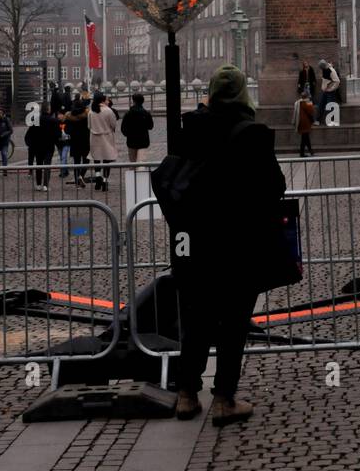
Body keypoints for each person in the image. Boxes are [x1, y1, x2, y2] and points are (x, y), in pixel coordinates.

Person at [169, 64, 286, 425]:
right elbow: (274, 186)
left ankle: (186, 395)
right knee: (234, 322)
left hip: (196, 241)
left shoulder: (192, 128)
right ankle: (224, 399)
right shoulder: (254, 134)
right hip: (238, 243)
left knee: (197, 318)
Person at [88, 93, 118, 190]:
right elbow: (113, 124)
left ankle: (97, 178)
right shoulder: (108, 111)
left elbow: (89, 126)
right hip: (106, 136)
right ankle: (105, 181)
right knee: (106, 159)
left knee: (96, 159)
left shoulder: (91, 111)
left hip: (94, 137)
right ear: (102, 100)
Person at [32, 101, 59, 190]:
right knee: (47, 165)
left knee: (39, 165)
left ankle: (38, 184)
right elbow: (57, 134)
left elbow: (32, 133)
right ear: (48, 109)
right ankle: (45, 185)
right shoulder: (53, 120)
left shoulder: (36, 120)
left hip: (38, 146)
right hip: (49, 146)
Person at [65, 95, 91, 186]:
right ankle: (81, 175)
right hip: (85, 140)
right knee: (86, 160)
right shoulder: (87, 116)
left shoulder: (69, 117)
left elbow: (66, 130)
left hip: (75, 141)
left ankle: (77, 180)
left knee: (76, 161)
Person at [121, 92, 154, 163]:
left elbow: (123, 128)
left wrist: (128, 134)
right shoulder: (146, 113)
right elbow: (150, 126)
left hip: (131, 141)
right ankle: (140, 174)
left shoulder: (128, 114)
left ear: (133, 101)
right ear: (143, 101)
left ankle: (132, 174)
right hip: (143, 141)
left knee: (132, 163)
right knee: (141, 162)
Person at [293, 86, 316, 156]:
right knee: (304, 138)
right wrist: (310, 103)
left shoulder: (298, 102)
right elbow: (311, 111)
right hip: (305, 123)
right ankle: (302, 153)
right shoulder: (306, 103)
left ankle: (310, 151)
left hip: (301, 122)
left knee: (305, 137)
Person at [317, 61, 340, 125]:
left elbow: (337, 81)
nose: (321, 70)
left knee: (330, 106)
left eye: (321, 68)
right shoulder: (325, 69)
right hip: (325, 90)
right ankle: (318, 120)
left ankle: (330, 121)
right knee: (321, 105)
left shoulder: (331, 71)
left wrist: (331, 89)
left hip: (330, 92)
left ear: (323, 67)